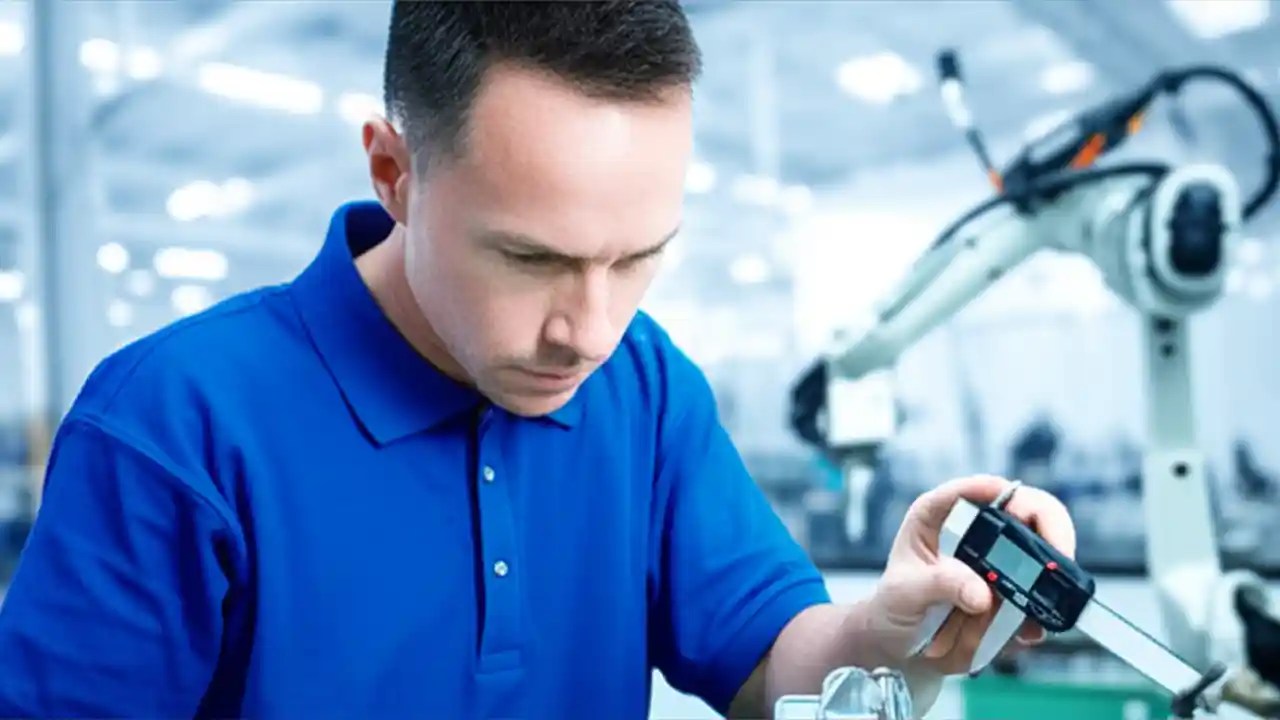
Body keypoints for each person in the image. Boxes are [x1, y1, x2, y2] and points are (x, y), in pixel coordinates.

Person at [0, 2, 1075, 718]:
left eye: (637, 259)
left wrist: (882, 629)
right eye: (530, 258)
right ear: (393, 171)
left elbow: (762, 663)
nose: (589, 330)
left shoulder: (644, 389)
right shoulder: (171, 430)